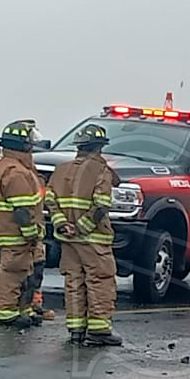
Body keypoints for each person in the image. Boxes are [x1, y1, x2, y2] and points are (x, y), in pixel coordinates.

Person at [46, 123, 122, 347]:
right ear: (99, 147)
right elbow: (101, 206)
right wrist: (82, 227)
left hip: (68, 239)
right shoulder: (101, 171)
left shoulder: (61, 170)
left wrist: (62, 225)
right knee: (100, 281)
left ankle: (76, 330)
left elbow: (50, 200)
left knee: (74, 282)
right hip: (93, 239)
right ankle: (99, 331)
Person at [0, 120, 44, 329]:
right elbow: (22, 211)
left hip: (3, 231)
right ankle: (7, 313)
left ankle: (22, 310)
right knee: (13, 273)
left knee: (22, 272)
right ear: (23, 145)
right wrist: (31, 234)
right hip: (15, 233)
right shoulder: (16, 172)